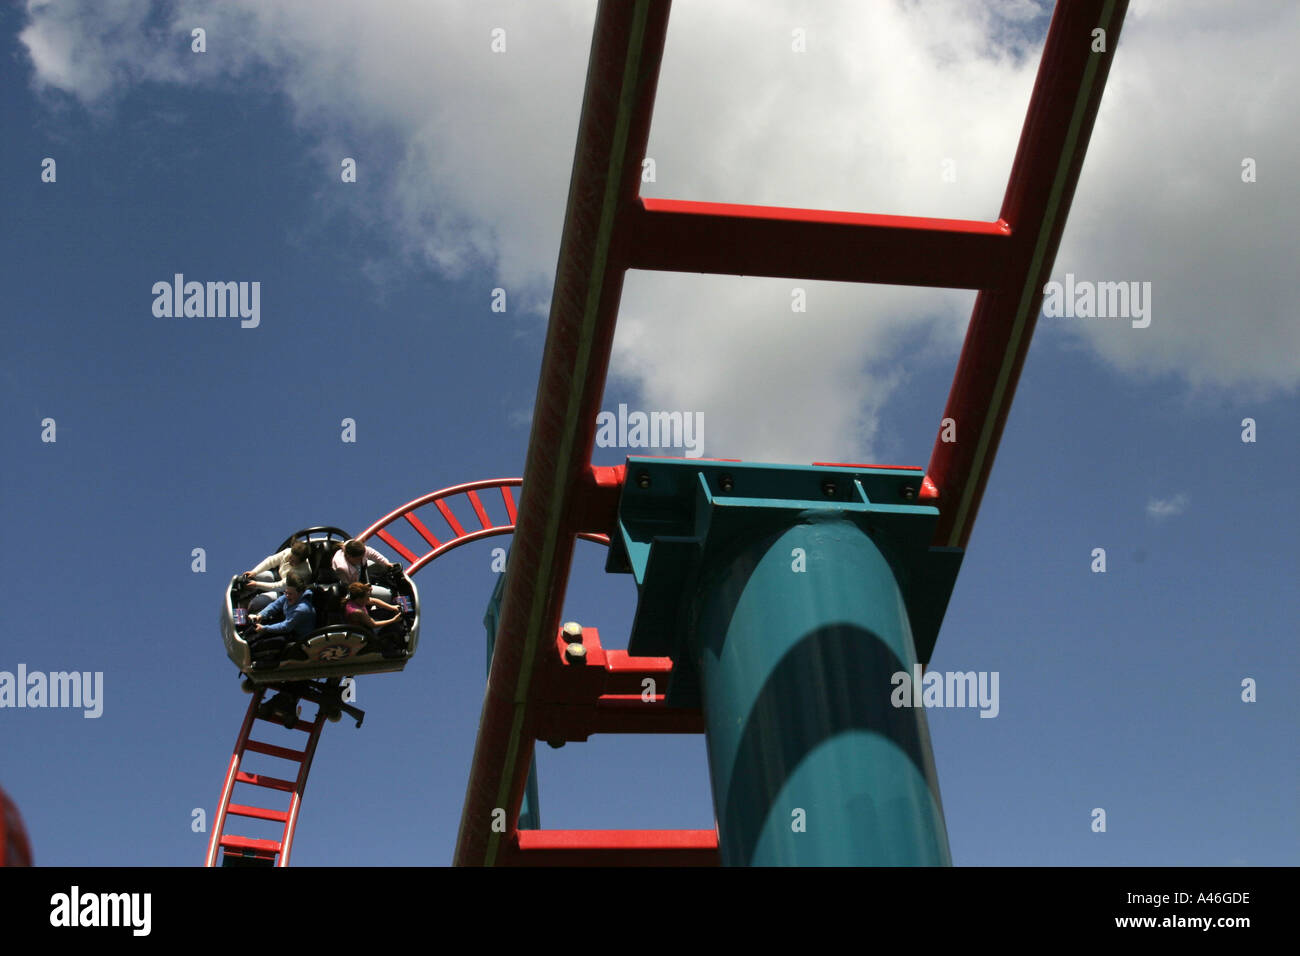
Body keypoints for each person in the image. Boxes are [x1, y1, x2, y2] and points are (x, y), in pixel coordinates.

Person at [248, 572, 317, 644]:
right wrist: (261, 615)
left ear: (300, 593)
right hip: (287, 626)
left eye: (290, 594)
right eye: (286, 592)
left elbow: (285, 627)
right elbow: (275, 605)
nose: (287, 596)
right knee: (261, 623)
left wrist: (265, 628)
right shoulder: (289, 596)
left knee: (263, 642)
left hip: (298, 638)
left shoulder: (302, 609)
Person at [243, 539, 312, 592]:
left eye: (294, 561)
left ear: (301, 562)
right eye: (290, 558)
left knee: (257, 602)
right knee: (249, 577)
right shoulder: (288, 552)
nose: (290, 561)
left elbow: (279, 586)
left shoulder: (303, 572)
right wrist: (254, 572)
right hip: (277, 576)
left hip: (284, 592)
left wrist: (257, 585)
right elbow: (271, 561)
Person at [331, 538, 396, 586]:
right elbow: (351, 587)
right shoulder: (342, 569)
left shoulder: (356, 547)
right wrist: (364, 587)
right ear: (349, 556)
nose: (362, 559)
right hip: (351, 585)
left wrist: (386, 563)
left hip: (359, 570)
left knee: (379, 565)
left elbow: (373, 554)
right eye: (359, 558)